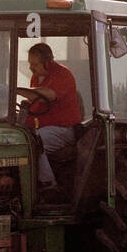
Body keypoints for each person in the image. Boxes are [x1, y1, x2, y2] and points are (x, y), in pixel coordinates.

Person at [16, 42, 80, 197]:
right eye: (30, 64)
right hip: (42, 127)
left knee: (34, 141)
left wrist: (14, 89)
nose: (31, 68)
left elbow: (47, 95)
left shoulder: (63, 75)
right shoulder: (36, 78)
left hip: (63, 130)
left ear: (47, 62)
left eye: (35, 64)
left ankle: (48, 185)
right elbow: (34, 101)